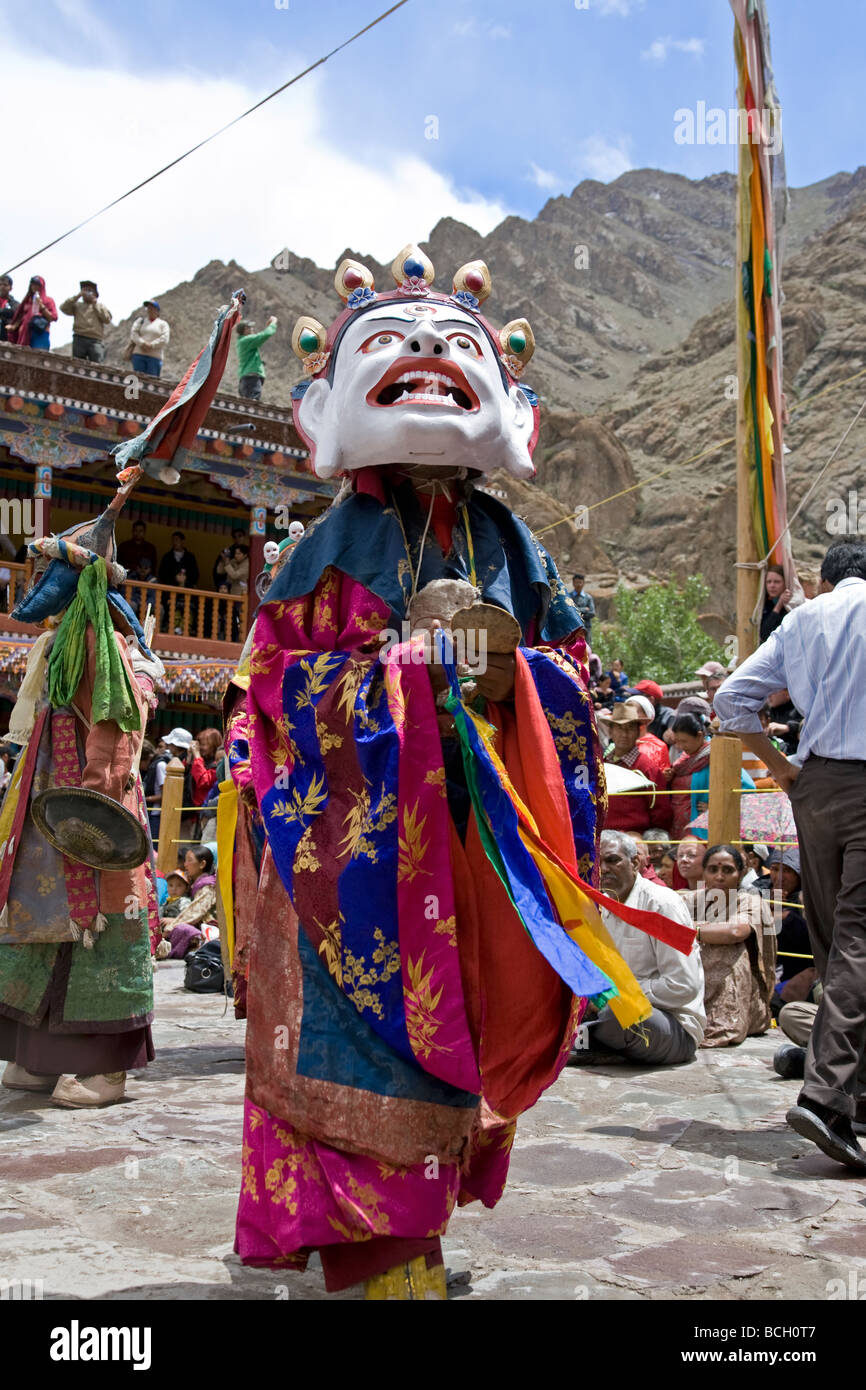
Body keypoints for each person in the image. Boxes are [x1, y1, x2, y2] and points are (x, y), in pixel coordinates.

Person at [221, 244, 695, 1298]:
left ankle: (416, 1233)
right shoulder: (323, 552)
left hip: (472, 844)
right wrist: (399, 684)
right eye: (390, 346)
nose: (429, 358)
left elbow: (569, 678)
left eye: (457, 348)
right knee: (353, 1041)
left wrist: (508, 685)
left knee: (462, 1023)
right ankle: (372, 1252)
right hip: (347, 860)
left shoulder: (510, 545)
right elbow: (270, 698)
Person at [0, 501, 163, 1107]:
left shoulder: (96, 635)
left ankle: (105, 1068)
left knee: (100, 926)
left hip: (87, 804)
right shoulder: (65, 636)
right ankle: (37, 1057)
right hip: (49, 804)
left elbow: (117, 722)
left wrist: (97, 806)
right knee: (44, 923)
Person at [714, 540, 866, 1170]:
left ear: (827, 580)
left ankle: (849, 1091)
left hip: (816, 787)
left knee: (837, 943)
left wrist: (783, 771)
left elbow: (730, 701)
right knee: (858, 940)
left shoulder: (806, 620)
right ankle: (827, 1098)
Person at [569, 831, 704, 1065]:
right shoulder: (603, 904)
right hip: (617, 1012)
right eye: (597, 863)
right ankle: (593, 1041)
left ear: (635, 862)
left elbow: (683, 986)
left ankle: (585, 1042)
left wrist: (616, 995)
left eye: (612, 860)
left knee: (617, 1016)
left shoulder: (662, 904)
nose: (604, 869)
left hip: (670, 1025)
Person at [681, 844, 775, 1048]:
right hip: (695, 992)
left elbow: (735, 932)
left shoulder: (751, 901)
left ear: (741, 873)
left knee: (726, 946)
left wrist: (688, 930)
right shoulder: (691, 900)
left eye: (728, 870)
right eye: (713, 870)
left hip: (744, 1000)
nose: (720, 877)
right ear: (704, 872)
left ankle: (722, 1019)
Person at [601, 701, 672, 835]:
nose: (624, 734)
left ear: (638, 732)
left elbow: (662, 812)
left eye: (630, 728)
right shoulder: (603, 765)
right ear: (611, 731)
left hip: (634, 837)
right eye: (619, 728)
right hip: (603, 836)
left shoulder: (647, 768)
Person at [59, 280, 112, 362]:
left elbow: (107, 319)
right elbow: (63, 308)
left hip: (95, 340)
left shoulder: (100, 306)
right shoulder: (77, 306)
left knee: (97, 364)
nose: (88, 293)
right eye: (85, 290)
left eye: (90, 291)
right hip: (79, 337)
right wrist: (77, 296)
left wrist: (95, 305)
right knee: (77, 364)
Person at [7, 275, 58, 349]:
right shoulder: (27, 300)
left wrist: (41, 306)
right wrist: (14, 326)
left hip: (40, 334)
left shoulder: (48, 301)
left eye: (37, 285)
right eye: (33, 284)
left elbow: (53, 317)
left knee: (38, 357)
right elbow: (20, 315)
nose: (35, 286)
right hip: (24, 334)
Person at [236, 316, 278, 400]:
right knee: (252, 404)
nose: (252, 329)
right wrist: (273, 323)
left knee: (247, 405)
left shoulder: (242, 342)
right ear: (245, 329)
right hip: (251, 379)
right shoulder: (246, 340)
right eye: (250, 327)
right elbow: (265, 335)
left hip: (246, 379)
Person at [129, 300, 170, 377]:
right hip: (139, 355)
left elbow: (165, 339)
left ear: (157, 311)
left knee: (152, 381)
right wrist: (142, 343)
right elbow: (134, 333)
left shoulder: (163, 324)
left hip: (154, 358)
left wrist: (151, 345)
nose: (150, 310)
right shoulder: (140, 321)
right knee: (138, 380)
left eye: (152, 308)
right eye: (148, 308)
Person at [760, 564, 792, 644]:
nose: (772, 585)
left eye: (777, 582)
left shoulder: (790, 606)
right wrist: (778, 605)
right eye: (768, 582)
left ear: (785, 583)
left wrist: (780, 605)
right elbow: (764, 634)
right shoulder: (763, 603)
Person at [568, 573, 595, 644]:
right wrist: (584, 609)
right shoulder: (568, 597)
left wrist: (576, 613)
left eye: (580, 582)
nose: (578, 585)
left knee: (587, 648)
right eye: (576, 582)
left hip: (586, 628)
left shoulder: (588, 598)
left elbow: (592, 613)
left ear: (583, 583)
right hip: (572, 628)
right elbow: (568, 612)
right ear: (573, 583)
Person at [0, 274, 18, 342]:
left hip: (7, 340)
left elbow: (15, 312)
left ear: (10, 288)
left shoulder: (14, 303)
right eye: (0, 284)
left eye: (5, 285)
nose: (2, 287)